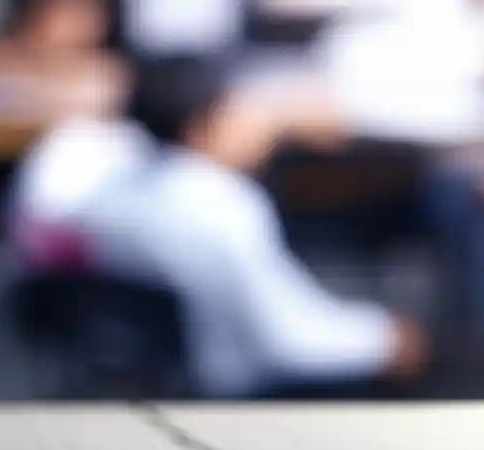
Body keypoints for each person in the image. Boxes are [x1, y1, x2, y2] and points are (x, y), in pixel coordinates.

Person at [74, 57, 426, 397]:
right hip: (239, 396)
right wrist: (385, 340)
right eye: (240, 112)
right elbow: (287, 342)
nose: (260, 126)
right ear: (204, 126)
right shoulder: (224, 203)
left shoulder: (111, 192)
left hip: (155, 387)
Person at [0, 0, 128, 122]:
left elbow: (101, 96)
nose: (68, 24)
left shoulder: (105, 72)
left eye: (85, 11)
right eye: (59, 10)